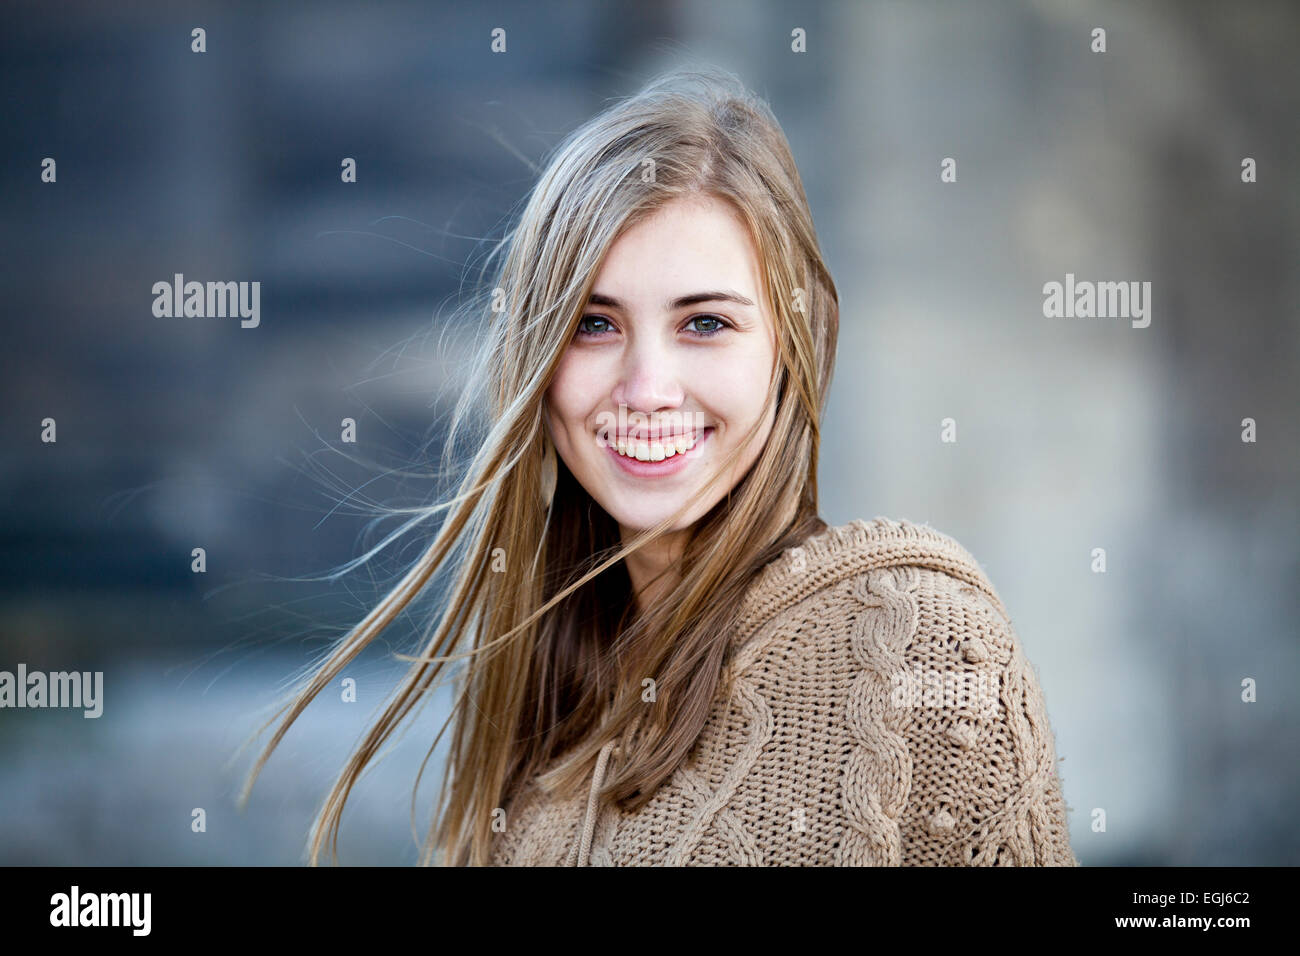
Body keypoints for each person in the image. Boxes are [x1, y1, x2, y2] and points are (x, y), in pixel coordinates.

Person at [240, 65, 1078, 867]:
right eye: (593, 325)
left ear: (790, 347)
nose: (646, 388)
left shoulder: (915, 637)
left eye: (705, 324)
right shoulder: (544, 705)